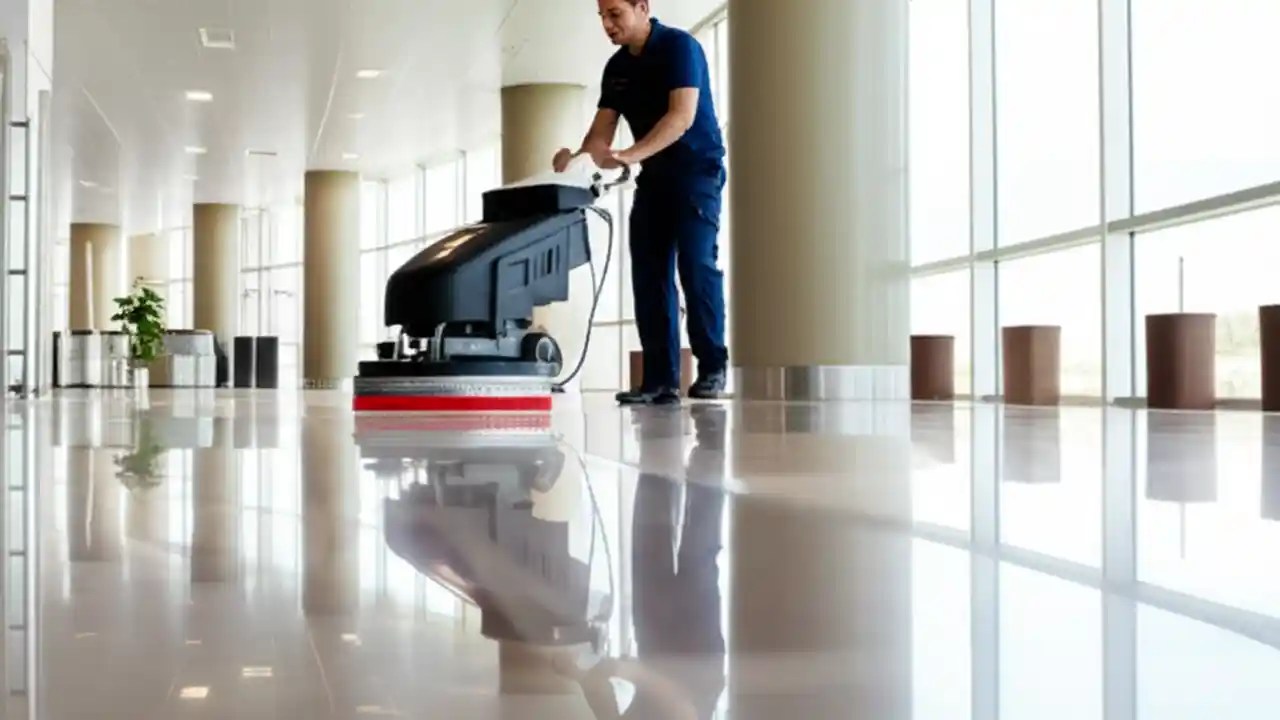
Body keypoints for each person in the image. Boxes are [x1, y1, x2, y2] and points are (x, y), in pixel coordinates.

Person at [554, 0, 728, 406]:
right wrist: (573, 163)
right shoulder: (616, 69)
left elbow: (681, 117)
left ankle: (712, 366)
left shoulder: (679, 47)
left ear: (642, 7)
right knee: (648, 275)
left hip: (696, 174)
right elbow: (599, 138)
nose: (607, 24)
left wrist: (630, 154)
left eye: (615, 13)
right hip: (655, 179)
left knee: (696, 265)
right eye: (601, 16)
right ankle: (660, 381)